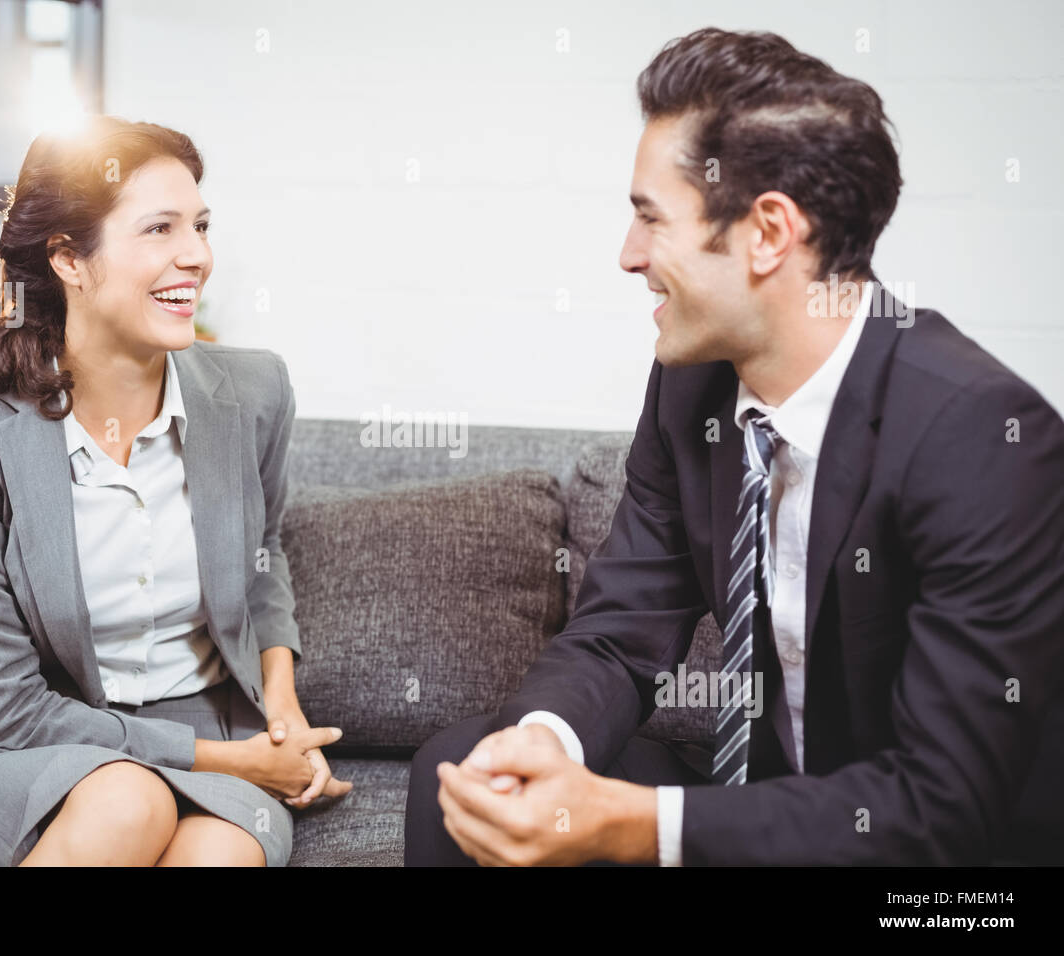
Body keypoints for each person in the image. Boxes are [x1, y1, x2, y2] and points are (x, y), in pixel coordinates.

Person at [405, 27, 1064, 866]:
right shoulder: (692, 387)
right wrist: (548, 742)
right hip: (758, 802)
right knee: (460, 778)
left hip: (937, 863)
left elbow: (943, 804)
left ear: (767, 233)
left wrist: (635, 827)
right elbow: (619, 628)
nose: (627, 255)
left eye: (650, 218)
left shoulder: (982, 436)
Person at [0, 115, 351, 867]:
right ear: (69, 260)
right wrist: (233, 765)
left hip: (219, 725)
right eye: (159, 229)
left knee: (220, 857)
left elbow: (262, 558)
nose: (198, 255)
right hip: (39, 741)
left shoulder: (254, 393)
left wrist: (280, 715)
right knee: (129, 801)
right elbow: (5, 707)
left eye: (202, 226)